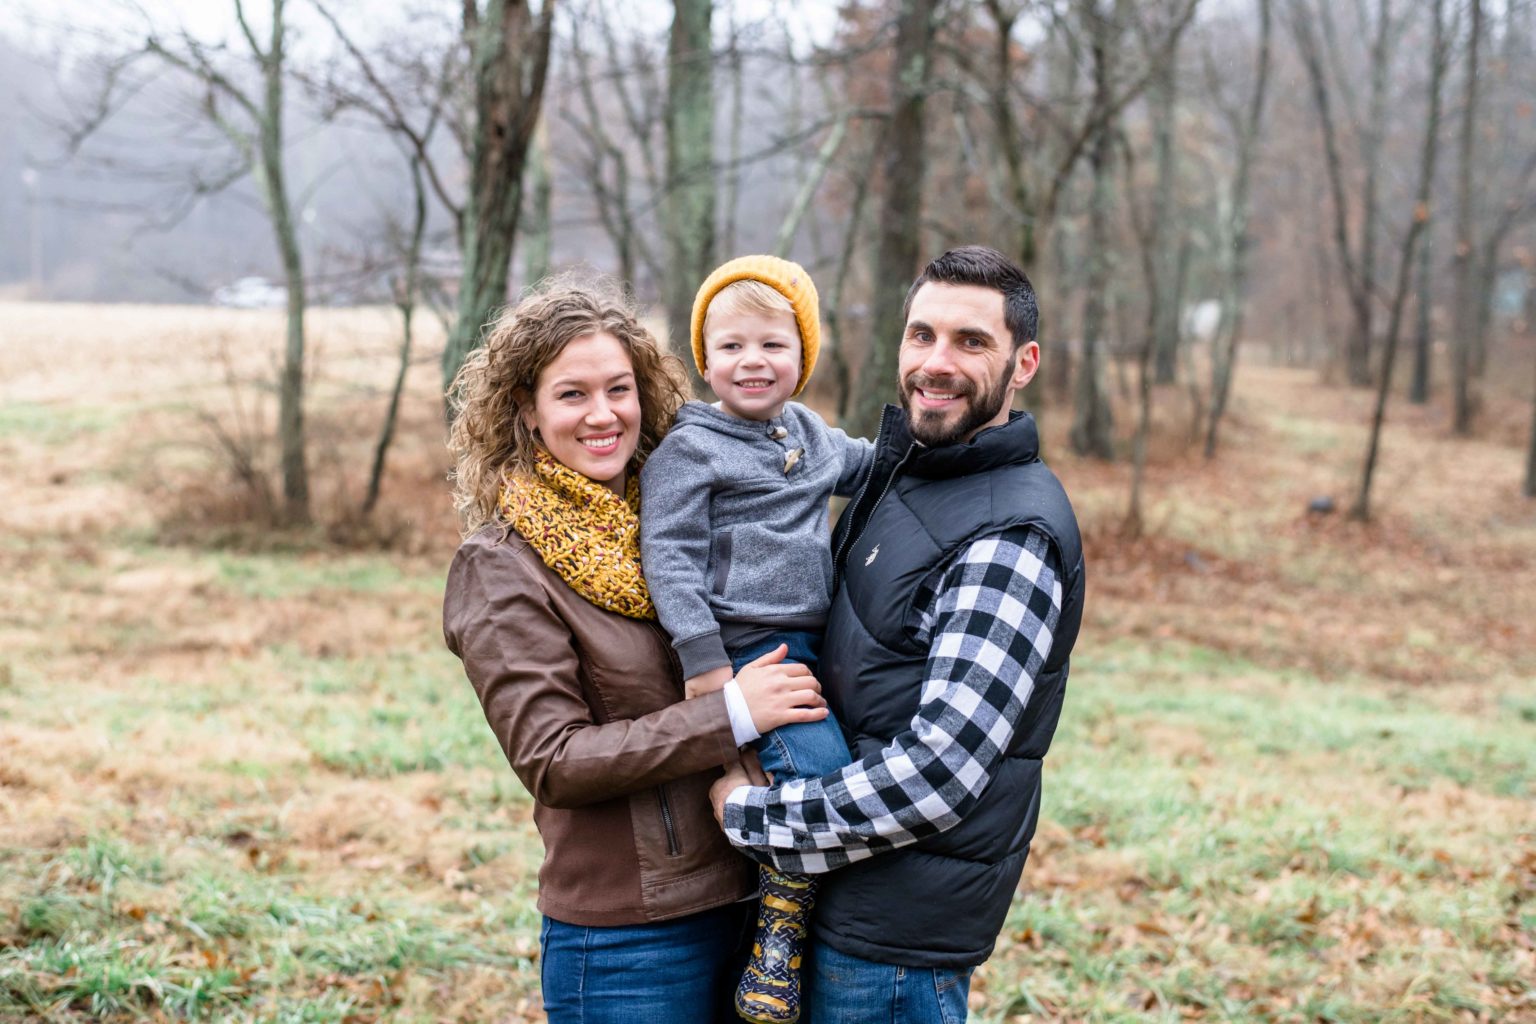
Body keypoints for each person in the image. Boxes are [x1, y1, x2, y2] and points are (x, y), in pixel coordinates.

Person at [710, 246, 1087, 1023]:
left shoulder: (1008, 535)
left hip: (889, 953)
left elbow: (938, 773)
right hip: (841, 911)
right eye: (922, 336)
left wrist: (749, 817)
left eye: (971, 342)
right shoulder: (913, 471)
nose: (936, 363)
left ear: (1025, 363)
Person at [440, 279, 830, 1024]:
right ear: (526, 408)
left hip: (747, 905)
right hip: (627, 943)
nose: (602, 414)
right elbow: (555, 759)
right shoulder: (501, 567)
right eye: (572, 395)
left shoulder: (680, 516)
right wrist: (731, 714)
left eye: (619, 389)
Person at [639, 255, 873, 1024]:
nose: (752, 361)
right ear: (705, 361)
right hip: (744, 646)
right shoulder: (691, 447)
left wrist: (947, 454)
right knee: (820, 775)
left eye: (773, 345)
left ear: (804, 358)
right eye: (732, 346)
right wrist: (704, 660)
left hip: (812, 642)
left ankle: (782, 909)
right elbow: (667, 555)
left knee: (813, 779)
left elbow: (875, 465)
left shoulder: (810, 435)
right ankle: (780, 929)